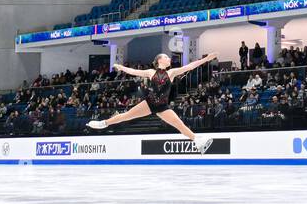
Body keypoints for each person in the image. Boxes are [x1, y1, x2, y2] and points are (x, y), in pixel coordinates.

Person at [87, 52, 217, 149]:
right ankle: (103, 123)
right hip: (149, 103)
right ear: (159, 59)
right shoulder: (151, 72)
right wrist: (121, 67)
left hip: (163, 106)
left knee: (179, 125)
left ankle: (197, 140)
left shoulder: (172, 72)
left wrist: (206, 59)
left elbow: (190, 66)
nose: (169, 58)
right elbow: (134, 71)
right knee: (126, 116)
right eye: (166, 57)